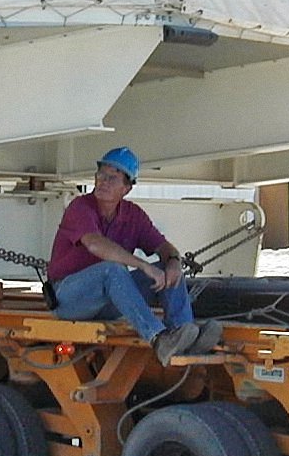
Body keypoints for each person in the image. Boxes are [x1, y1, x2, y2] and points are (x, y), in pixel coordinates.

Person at [47, 147, 221, 364]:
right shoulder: (80, 207)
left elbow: (165, 247)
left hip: (108, 301)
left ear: (127, 188)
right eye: (101, 175)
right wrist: (143, 266)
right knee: (113, 270)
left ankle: (183, 332)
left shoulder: (133, 215)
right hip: (68, 299)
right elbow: (94, 244)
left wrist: (174, 262)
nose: (103, 181)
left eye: (112, 178)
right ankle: (159, 339)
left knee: (166, 269)